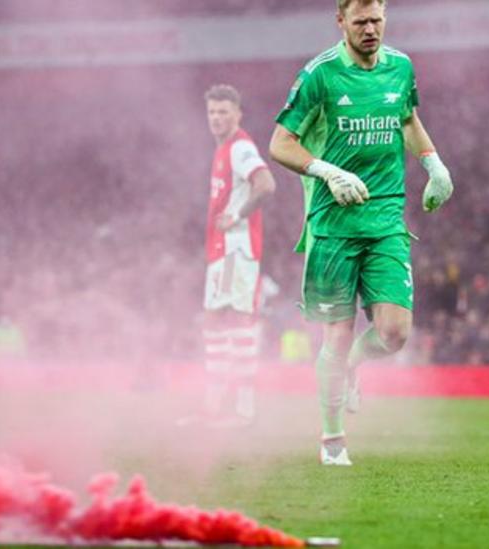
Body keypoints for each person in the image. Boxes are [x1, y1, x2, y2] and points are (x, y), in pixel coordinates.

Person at [269, 0, 454, 465]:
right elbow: (279, 143)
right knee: (334, 334)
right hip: (333, 227)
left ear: (385, 18)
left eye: (376, 20)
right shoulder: (320, 76)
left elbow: (406, 118)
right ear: (341, 22)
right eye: (360, 22)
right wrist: (327, 171)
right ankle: (333, 441)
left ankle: (353, 364)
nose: (370, 29)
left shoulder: (401, 67)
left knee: (394, 333)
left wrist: (434, 165)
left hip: (386, 220)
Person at [181, 84, 276, 428]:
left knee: (237, 320)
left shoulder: (240, 147)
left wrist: (238, 215)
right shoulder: (222, 149)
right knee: (213, 320)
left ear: (238, 114)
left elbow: (266, 184)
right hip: (222, 250)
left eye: (224, 111)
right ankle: (215, 405)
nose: (217, 118)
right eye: (212, 112)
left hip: (238, 248)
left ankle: (244, 409)